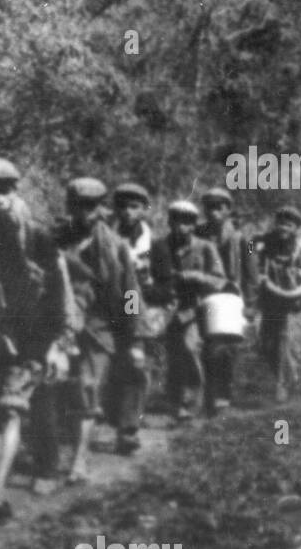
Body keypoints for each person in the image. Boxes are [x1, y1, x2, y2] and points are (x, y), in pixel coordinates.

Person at [0, 157, 74, 515]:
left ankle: (44, 466)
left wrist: (59, 342)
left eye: (5, 191)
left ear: (16, 192)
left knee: (38, 406)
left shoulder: (37, 237)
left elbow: (58, 291)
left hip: (36, 333)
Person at [53, 177, 142, 482]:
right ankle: (52, 454)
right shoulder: (56, 238)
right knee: (56, 387)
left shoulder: (115, 246)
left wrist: (133, 339)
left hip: (98, 324)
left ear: (101, 208)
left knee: (87, 387)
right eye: (78, 206)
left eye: (91, 206)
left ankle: (79, 459)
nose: (85, 213)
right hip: (58, 321)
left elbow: (130, 293)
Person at [150, 200, 226, 423]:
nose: (182, 227)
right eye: (177, 221)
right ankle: (176, 405)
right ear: (170, 222)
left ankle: (191, 404)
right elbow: (148, 276)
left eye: (187, 222)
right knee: (174, 356)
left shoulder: (205, 247)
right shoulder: (159, 246)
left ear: (194, 225)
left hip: (196, 308)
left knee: (190, 348)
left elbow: (220, 280)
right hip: (166, 308)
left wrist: (196, 277)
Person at [256, 205, 301, 402]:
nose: (283, 228)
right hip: (271, 304)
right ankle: (292, 375)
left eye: (289, 225)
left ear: (296, 228)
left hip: (295, 305)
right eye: (280, 223)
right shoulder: (266, 246)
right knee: (267, 346)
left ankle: (282, 385)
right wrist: (255, 243)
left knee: (286, 343)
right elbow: (246, 251)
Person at [106, 182, 159, 452]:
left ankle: (128, 430)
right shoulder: (103, 235)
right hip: (106, 307)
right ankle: (114, 418)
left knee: (136, 366)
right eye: (123, 206)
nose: (128, 212)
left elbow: (165, 282)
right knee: (112, 368)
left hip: (139, 309)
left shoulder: (153, 243)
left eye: (135, 206)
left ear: (144, 210)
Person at [196, 188, 257, 414]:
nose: (214, 212)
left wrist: (250, 302)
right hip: (204, 295)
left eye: (219, 207)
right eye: (210, 207)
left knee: (226, 348)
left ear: (228, 210)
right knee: (206, 346)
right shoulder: (198, 233)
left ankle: (223, 393)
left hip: (232, 297)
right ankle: (209, 394)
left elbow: (252, 270)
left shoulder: (244, 239)